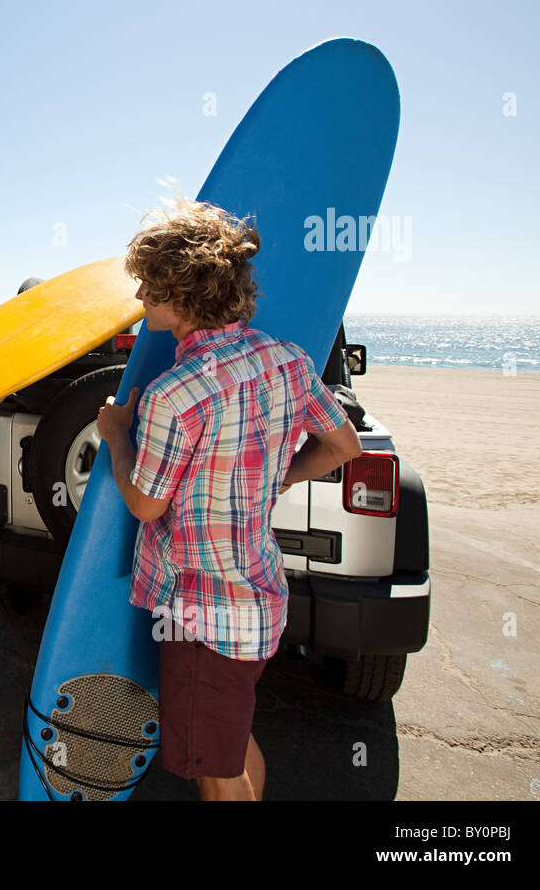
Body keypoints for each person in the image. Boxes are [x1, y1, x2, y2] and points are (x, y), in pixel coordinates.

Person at [96, 198, 362, 800]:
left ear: (183, 297)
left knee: (215, 769)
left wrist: (115, 438)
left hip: (204, 615)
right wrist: (279, 477)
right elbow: (343, 445)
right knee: (232, 742)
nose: (139, 301)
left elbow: (145, 505)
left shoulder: (175, 392)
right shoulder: (288, 361)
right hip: (260, 597)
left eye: (148, 289)